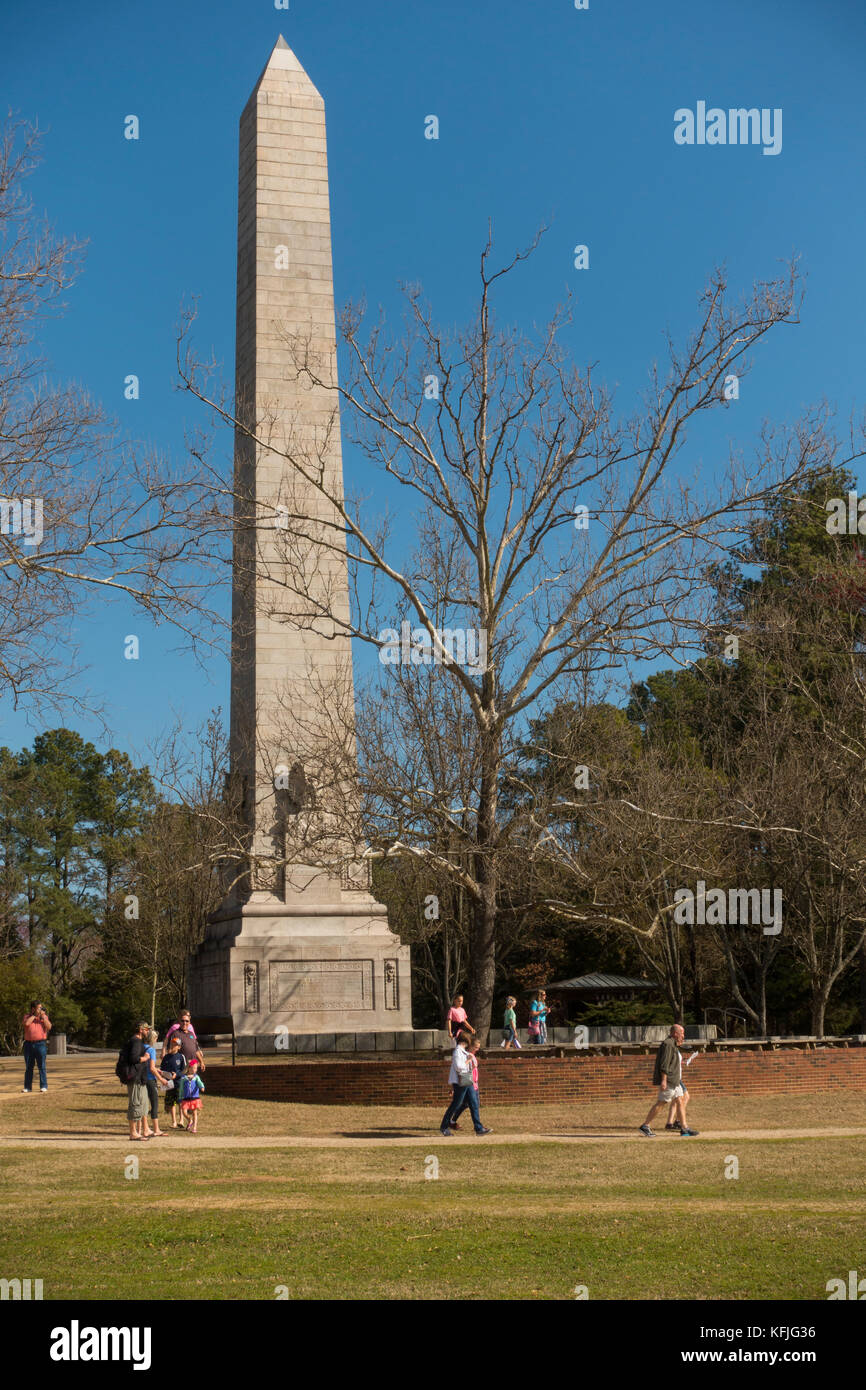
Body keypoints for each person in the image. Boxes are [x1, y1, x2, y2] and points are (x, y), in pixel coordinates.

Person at [639, 1024, 699, 1137]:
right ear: (675, 1033)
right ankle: (645, 1125)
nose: (683, 1036)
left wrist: (679, 1044)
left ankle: (685, 1128)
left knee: (680, 1100)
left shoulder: (673, 1044)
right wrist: (664, 1080)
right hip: (670, 1079)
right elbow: (664, 1064)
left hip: (676, 1080)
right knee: (662, 1102)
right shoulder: (668, 1044)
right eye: (682, 1033)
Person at [449, 1038, 492, 1135]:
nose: (477, 1049)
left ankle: (478, 1127)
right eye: (476, 1047)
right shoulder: (465, 1055)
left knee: (469, 1104)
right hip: (468, 1083)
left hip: (473, 1084)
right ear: (471, 1046)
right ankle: (450, 1122)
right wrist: (453, 1087)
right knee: (467, 1104)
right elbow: (459, 1070)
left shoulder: (471, 1056)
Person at [125, 1021, 153, 1141]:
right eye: (146, 1029)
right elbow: (133, 1058)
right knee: (135, 1104)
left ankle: (141, 1131)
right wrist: (145, 1058)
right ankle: (133, 1133)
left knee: (142, 1103)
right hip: (135, 1078)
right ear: (141, 1029)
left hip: (139, 1078)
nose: (148, 1031)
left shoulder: (137, 1041)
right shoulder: (136, 1041)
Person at [21, 1000, 52, 1093]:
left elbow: (49, 1027)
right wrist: (34, 1015)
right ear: (33, 1009)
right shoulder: (27, 1016)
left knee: (41, 1066)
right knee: (29, 1067)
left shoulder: (44, 1017)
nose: (41, 1009)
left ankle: (43, 1086)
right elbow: (26, 1024)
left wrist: (43, 1017)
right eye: (39, 1008)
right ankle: (27, 1087)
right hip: (28, 1044)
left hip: (40, 1044)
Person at [159, 1033, 188, 1129]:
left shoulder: (181, 1057)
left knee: (180, 1102)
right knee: (171, 1103)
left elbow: (184, 1070)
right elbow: (162, 1069)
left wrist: (177, 1075)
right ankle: (174, 1121)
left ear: (179, 1047)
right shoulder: (166, 1057)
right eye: (172, 1044)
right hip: (169, 1083)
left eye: (175, 1044)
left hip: (179, 1083)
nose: (173, 1046)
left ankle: (181, 1120)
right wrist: (162, 1075)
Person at [142, 1029, 166, 1137]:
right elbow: (151, 1068)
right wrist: (161, 1079)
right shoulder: (151, 1050)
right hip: (150, 1080)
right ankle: (156, 1129)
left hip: (141, 1079)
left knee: (144, 1105)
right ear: (153, 1039)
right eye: (156, 1038)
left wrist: (157, 1070)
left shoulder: (141, 1048)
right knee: (154, 1103)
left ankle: (145, 1128)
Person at [178, 1059, 205, 1133]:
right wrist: (180, 1097)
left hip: (194, 1098)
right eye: (193, 1068)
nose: (195, 1070)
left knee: (194, 1112)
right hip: (186, 1098)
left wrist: (202, 1087)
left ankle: (194, 1127)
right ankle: (189, 1120)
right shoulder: (184, 1078)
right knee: (184, 1111)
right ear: (189, 1068)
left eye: (196, 1068)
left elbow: (200, 1083)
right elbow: (181, 1088)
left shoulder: (196, 1077)